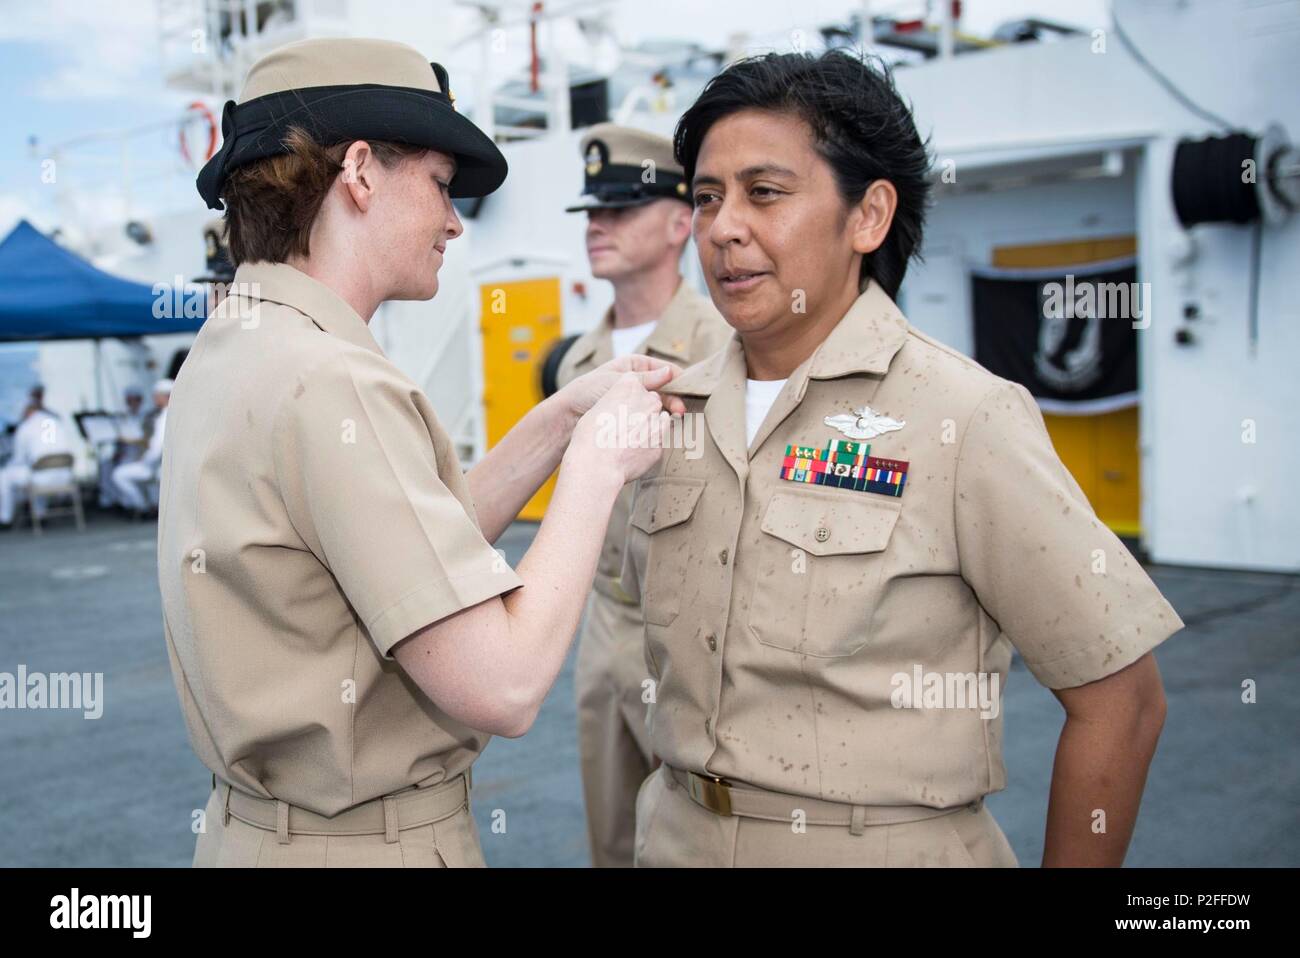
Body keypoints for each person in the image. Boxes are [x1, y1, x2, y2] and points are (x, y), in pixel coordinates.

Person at [621, 50, 1184, 867]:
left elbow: (1122, 702)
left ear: (869, 216)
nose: (724, 228)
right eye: (708, 198)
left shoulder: (963, 416)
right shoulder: (672, 411)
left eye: (765, 193)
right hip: (676, 839)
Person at [163, 37, 682, 867]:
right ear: (360, 172)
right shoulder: (333, 381)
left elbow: (401, 560)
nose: (451, 221)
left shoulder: (238, 345)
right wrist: (596, 465)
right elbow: (504, 684)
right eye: (440, 185)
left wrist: (560, 418)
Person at [554, 123, 731, 867]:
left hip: (697, 635)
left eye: (621, 208)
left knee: (698, 842)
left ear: (679, 222)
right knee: (612, 840)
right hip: (603, 626)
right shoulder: (578, 363)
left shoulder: (727, 348)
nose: (598, 224)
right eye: (593, 211)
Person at [0, 402, 75, 528]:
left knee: (5, 475)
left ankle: (5, 518)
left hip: (40, 477)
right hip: (65, 476)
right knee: (34, 472)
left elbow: (19, 459)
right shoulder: (56, 423)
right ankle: (39, 514)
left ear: (27, 412)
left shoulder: (26, 427)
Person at [112, 379, 170, 515]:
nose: (154, 398)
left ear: (165, 396)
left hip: (155, 466)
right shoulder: (162, 415)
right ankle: (148, 505)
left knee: (118, 475)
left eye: (157, 395)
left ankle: (142, 507)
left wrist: (144, 461)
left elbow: (157, 448)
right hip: (157, 464)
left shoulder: (164, 417)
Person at [96, 387, 147, 509]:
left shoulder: (147, 417)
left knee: (119, 474)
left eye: (133, 400)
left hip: (139, 455)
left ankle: (138, 505)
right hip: (125, 453)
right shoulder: (124, 417)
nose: (131, 403)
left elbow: (146, 440)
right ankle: (111, 499)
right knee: (105, 466)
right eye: (128, 401)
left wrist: (127, 440)